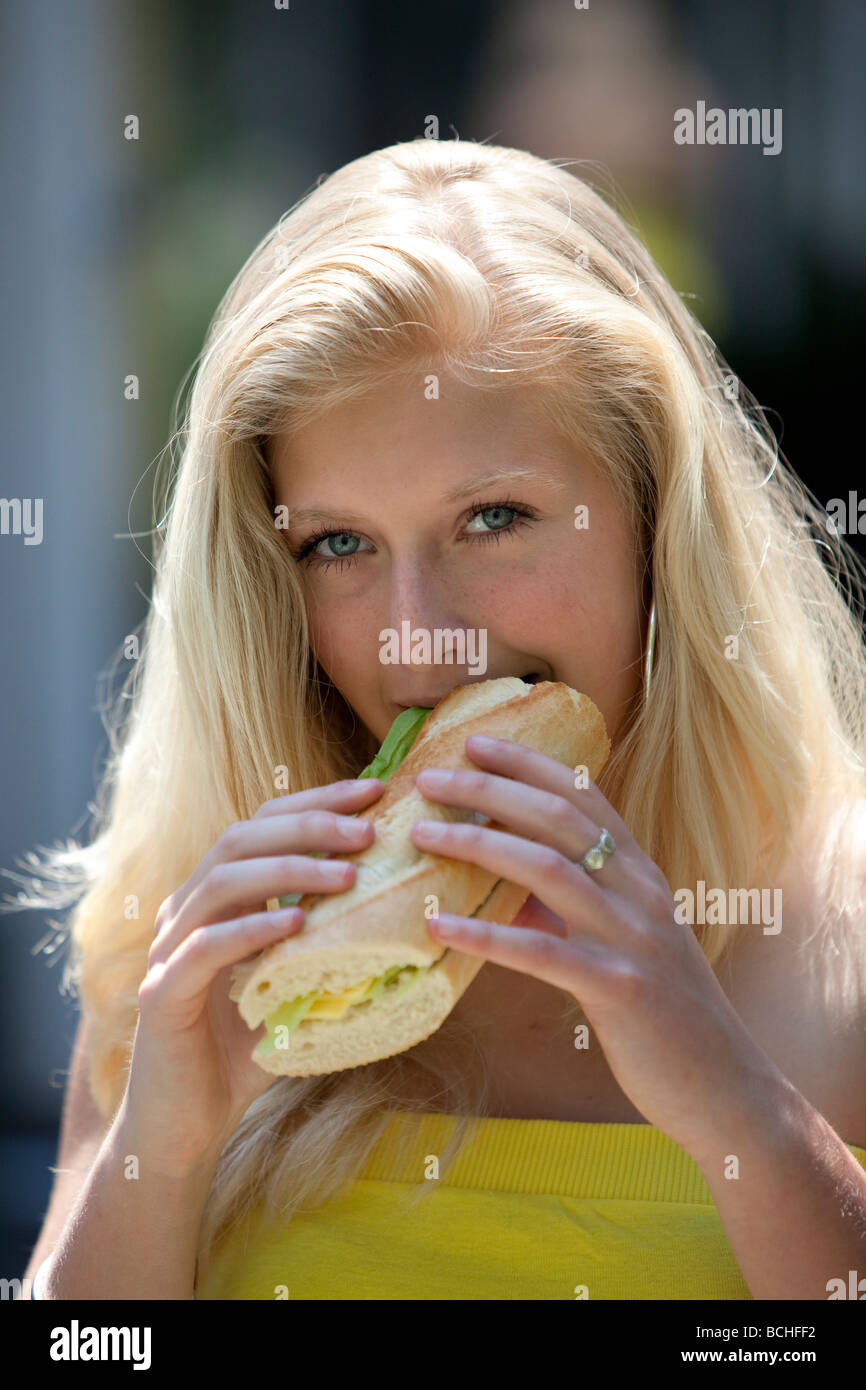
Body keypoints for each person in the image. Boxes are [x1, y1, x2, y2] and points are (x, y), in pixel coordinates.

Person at [12, 138, 866, 1301]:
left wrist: (741, 1109)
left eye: (493, 517)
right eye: (339, 545)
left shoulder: (845, 926)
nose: (414, 633)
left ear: (656, 518)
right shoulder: (184, 949)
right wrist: (159, 1153)